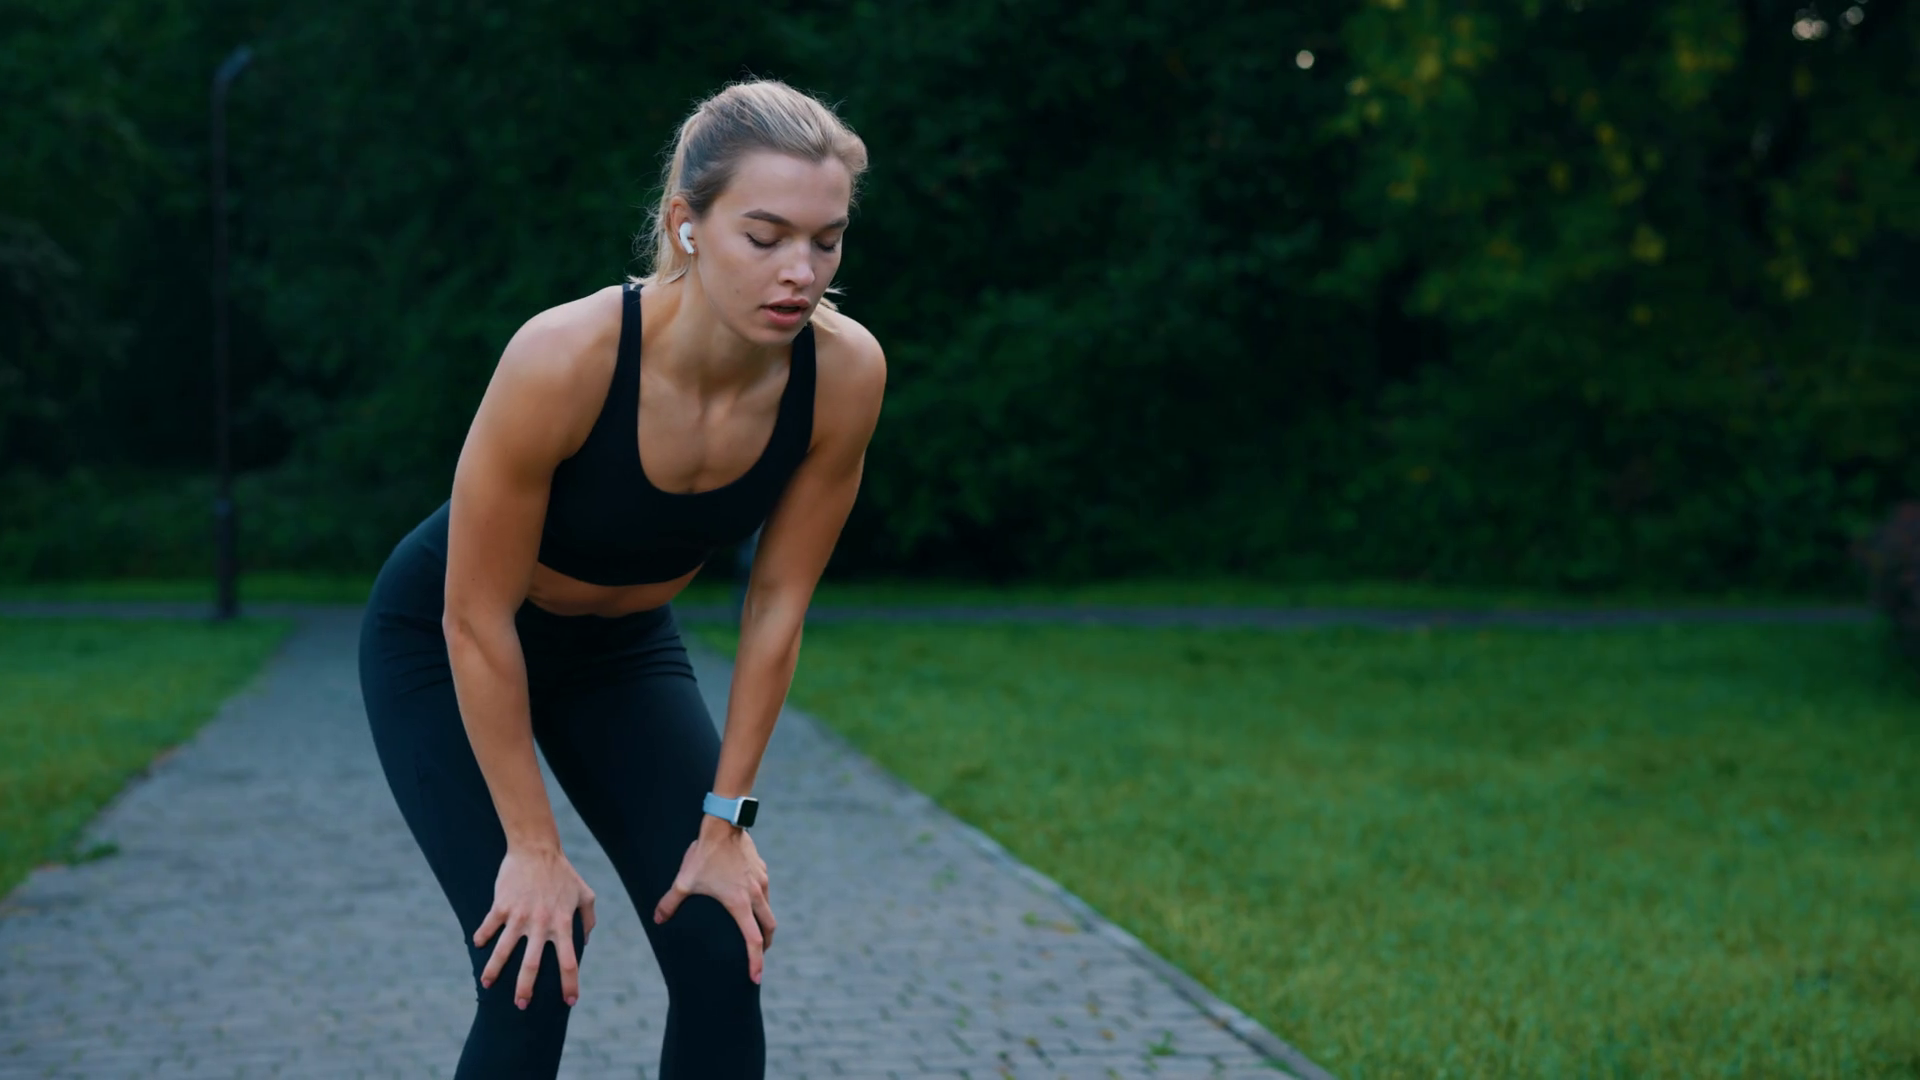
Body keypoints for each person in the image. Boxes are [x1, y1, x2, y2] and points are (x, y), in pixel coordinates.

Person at [356, 80, 884, 1080]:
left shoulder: (843, 375)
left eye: (827, 240)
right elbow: (472, 618)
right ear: (687, 225)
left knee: (725, 948)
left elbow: (776, 608)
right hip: (445, 640)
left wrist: (728, 826)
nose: (800, 271)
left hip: (622, 652)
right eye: (764, 236)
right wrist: (533, 846)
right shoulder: (565, 359)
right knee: (530, 958)